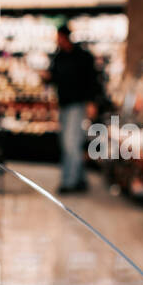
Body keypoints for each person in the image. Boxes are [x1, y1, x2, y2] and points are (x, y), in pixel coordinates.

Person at [47, 24, 100, 194]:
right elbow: (54, 78)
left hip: (77, 104)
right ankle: (80, 179)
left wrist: (91, 102)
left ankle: (69, 181)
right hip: (64, 105)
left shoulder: (82, 56)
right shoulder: (59, 57)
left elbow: (92, 80)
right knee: (71, 143)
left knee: (71, 143)